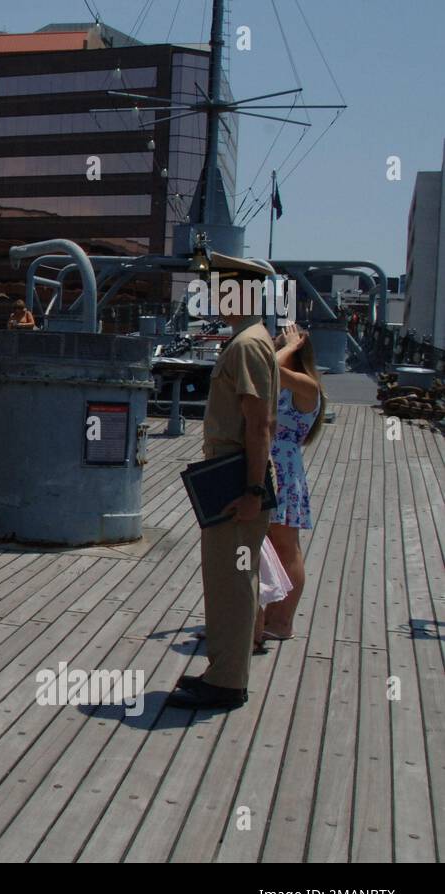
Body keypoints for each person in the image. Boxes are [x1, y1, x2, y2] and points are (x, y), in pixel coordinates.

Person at [170, 254, 280, 711]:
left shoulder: (247, 345)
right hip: (232, 476)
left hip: (236, 481)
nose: (216, 295)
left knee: (233, 582)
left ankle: (228, 683)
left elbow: (259, 425)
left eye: (222, 287)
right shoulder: (248, 340)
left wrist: (253, 492)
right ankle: (223, 672)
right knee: (227, 580)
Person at [262, 322, 325, 642]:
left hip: (283, 472)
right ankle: (264, 617)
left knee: (286, 547)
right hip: (269, 467)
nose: (274, 345)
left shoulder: (306, 385)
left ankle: (282, 621)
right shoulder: (280, 384)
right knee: (266, 546)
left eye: (280, 341)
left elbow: (267, 363)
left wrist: (289, 344)